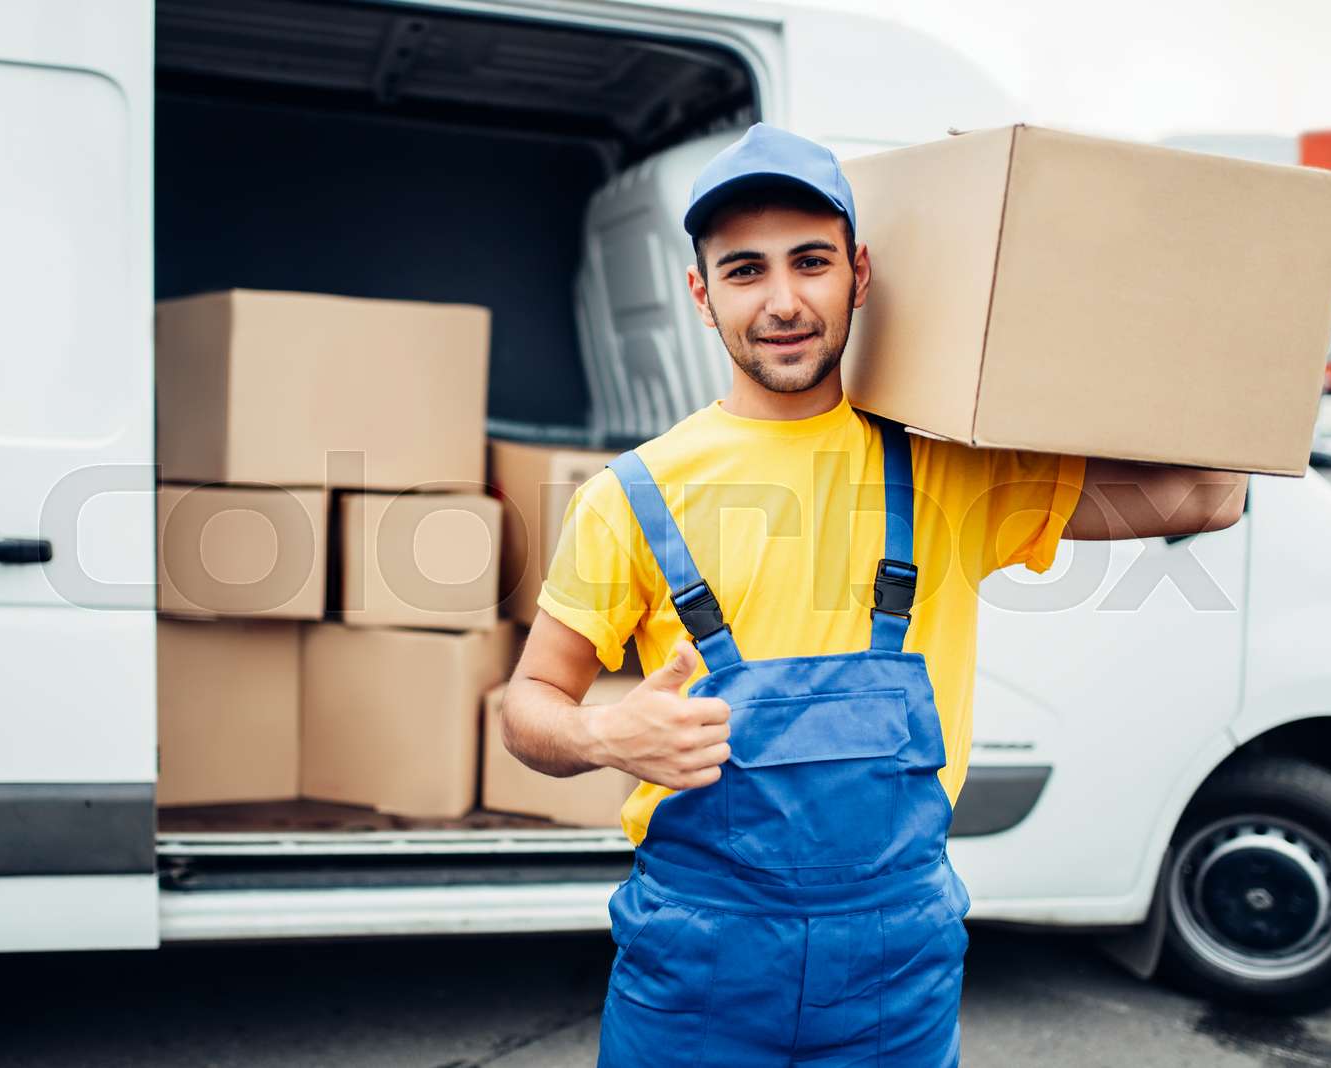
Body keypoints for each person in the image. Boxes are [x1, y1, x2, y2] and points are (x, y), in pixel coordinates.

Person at [500, 123, 1248, 1067]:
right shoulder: (631, 496)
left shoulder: (956, 471)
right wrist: (602, 735)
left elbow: (1210, 495)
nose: (781, 302)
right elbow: (526, 707)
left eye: (810, 263)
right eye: (744, 271)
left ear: (859, 272)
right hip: (697, 963)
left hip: (893, 970)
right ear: (701, 293)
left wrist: (1197, 334)